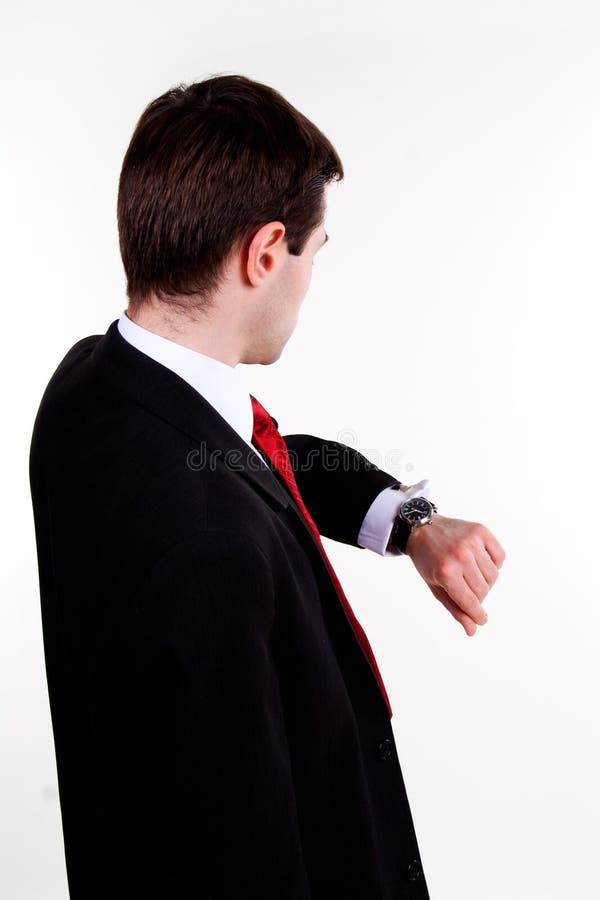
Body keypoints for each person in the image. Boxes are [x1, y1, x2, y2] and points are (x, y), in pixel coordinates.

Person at [29, 73, 505, 900]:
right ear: (262, 252)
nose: (310, 279)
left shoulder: (92, 392)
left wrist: (412, 522)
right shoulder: (209, 547)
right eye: (312, 254)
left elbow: (263, 456)